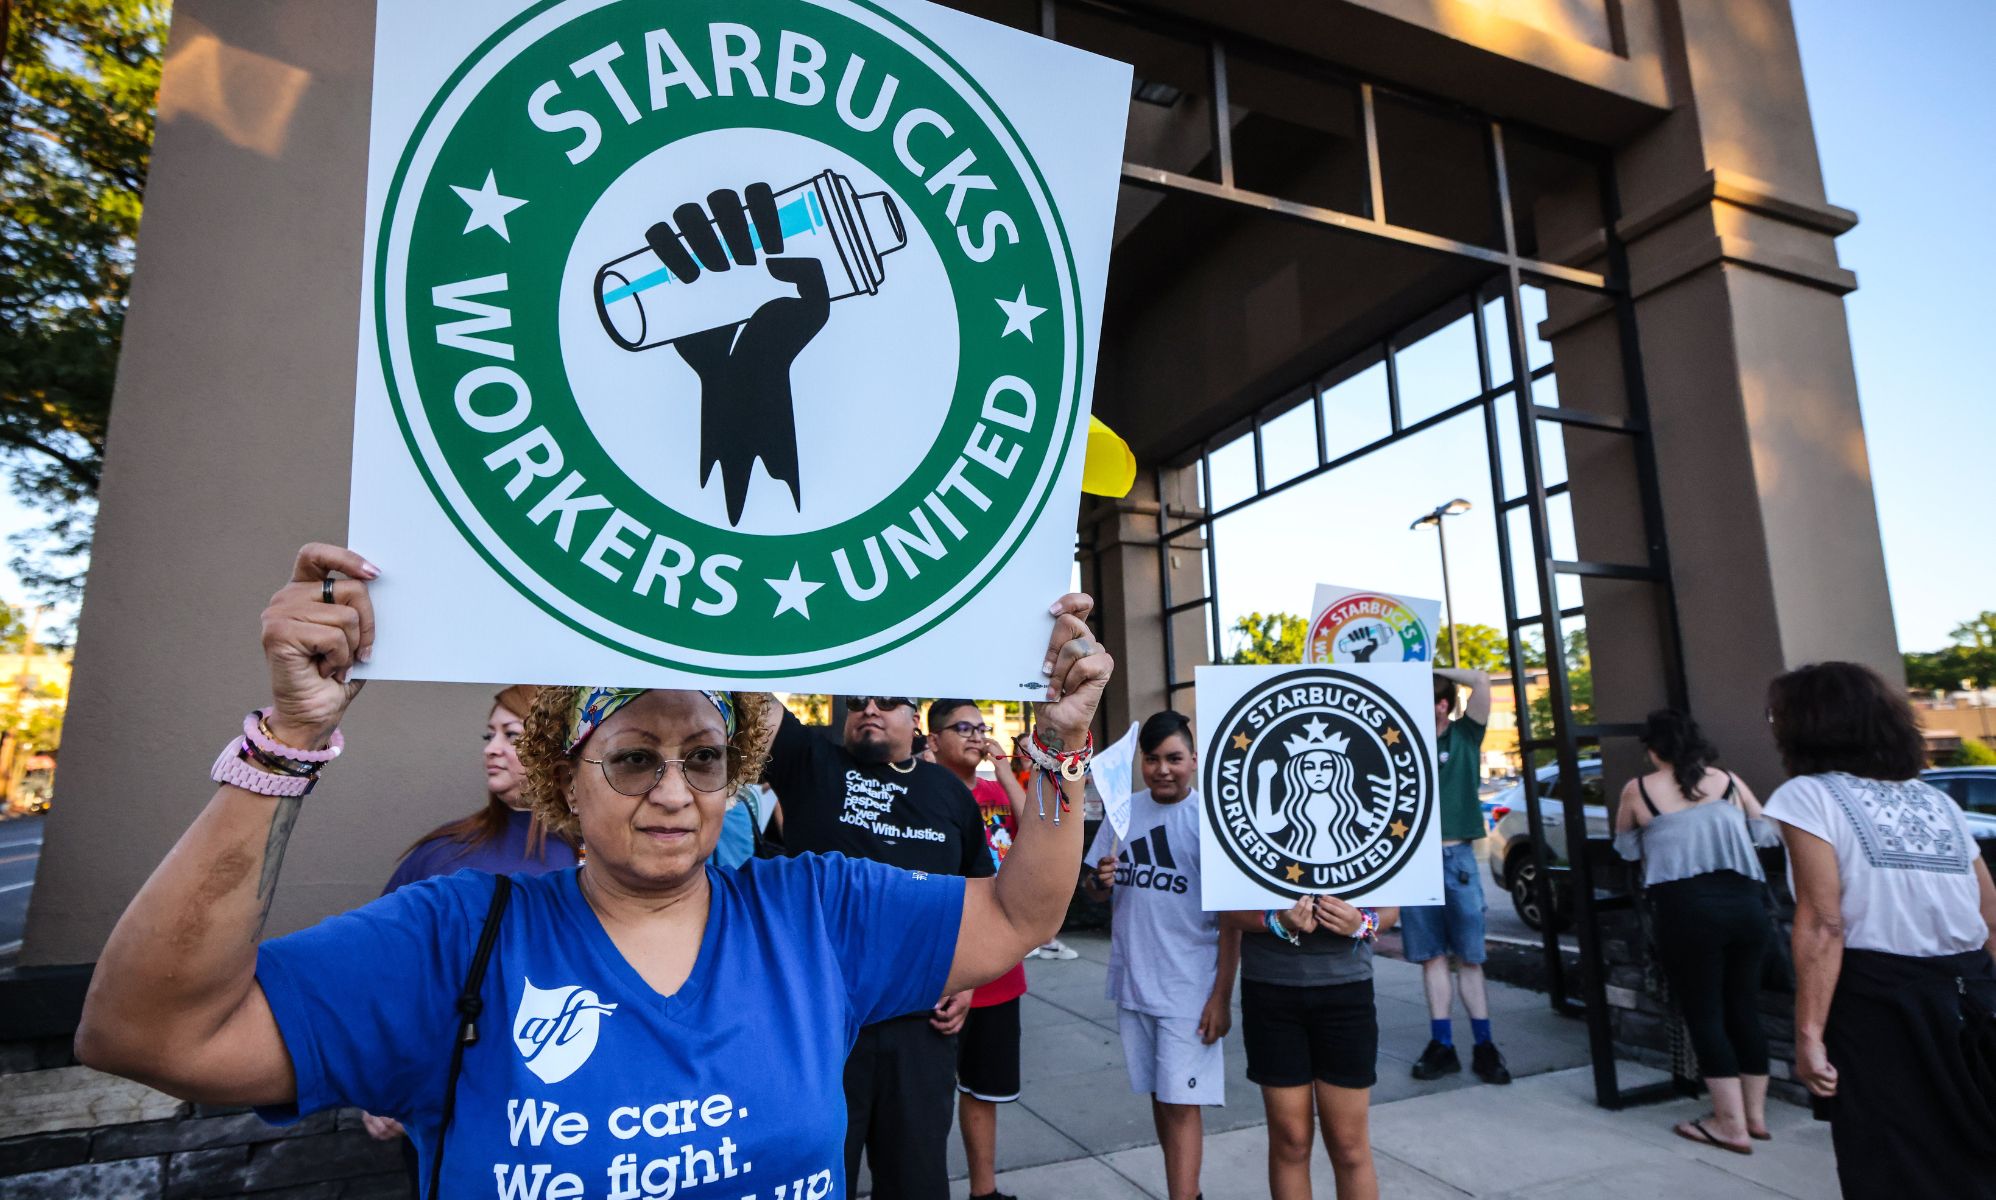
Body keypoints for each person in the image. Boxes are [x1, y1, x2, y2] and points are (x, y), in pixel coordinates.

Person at [74, 543, 1113, 1200]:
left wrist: (1060, 742)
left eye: (702, 757)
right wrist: (286, 741)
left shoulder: (814, 910)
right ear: (563, 784)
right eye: (631, 757)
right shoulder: (454, 937)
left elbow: (1019, 910)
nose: (672, 790)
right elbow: (148, 1032)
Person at [1762, 662, 1996, 1199]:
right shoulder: (1936, 800)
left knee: (1891, 1163)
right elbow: (1989, 914)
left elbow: (1823, 922)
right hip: (1970, 998)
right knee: (1973, 1158)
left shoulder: (1807, 796)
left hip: (1880, 1005)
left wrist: (1808, 1036)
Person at [756, 693, 995, 1200]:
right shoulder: (811, 762)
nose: (868, 709)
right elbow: (748, 695)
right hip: (822, 1029)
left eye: (886, 701)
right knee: (812, 1181)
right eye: (857, 701)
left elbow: (984, 895)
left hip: (921, 1030)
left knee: (916, 1183)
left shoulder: (949, 794)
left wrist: (970, 978)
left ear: (915, 719)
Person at [360, 684, 578, 1153]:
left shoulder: (602, 862)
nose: (492, 750)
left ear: (556, 750)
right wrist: (380, 1075)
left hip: (566, 1115)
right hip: (449, 1110)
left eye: (511, 735)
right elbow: (382, 974)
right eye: (489, 735)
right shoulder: (444, 852)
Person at [1083, 710, 1240, 1200]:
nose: (1162, 769)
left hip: (1188, 989)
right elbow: (1094, 892)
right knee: (1160, 1095)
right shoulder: (1123, 810)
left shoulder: (1211, 822)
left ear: (1193, 760)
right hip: (1134, 982)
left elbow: (1232, 921)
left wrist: (1221, 998)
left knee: (1181, 1103)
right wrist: (1099, 881)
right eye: (1152, 759)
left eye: (1174, 758)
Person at [1612, 709, 1777, 1154]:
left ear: (1653, 749)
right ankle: (1756, 1118)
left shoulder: (1639, 789)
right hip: (1746, 906)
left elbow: (1625, 848)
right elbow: (1765, 832)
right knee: (1743, 1008)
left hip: (1687, 911)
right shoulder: (1729, 783)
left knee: (1705, 1015)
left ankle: (1729, 1124)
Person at [1222, 895, 1398, 1200]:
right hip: (1271, 989)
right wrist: (1276, 921)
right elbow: (1226, 907)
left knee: (1349, 1145)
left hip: (1346, 990)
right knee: (1291, 1140)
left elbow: (1390, 908)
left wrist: (1361, 924)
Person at [928, 699, 1031, 1200]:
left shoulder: (994, 790)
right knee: (926, 1096)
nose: (974, 735)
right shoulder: (922, 794)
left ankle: (983, 1191)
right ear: (933, 740)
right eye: (961, 727)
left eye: (980, 727)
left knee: (982, 1090)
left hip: (999, 968)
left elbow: (1038, 830)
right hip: (939, 970)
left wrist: (1005, 767)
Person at [1403, 668, 1510, 1084]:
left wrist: (1432, 667)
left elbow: (1482, 681)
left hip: (1458, 857)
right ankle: (1442, 1044)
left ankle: (1484, 1045)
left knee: (1469, 957)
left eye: (1424, 699)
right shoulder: (1402, 743)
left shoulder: (1465, 735)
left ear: (1442, 705)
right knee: (1430, 956)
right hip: (1416, 861)